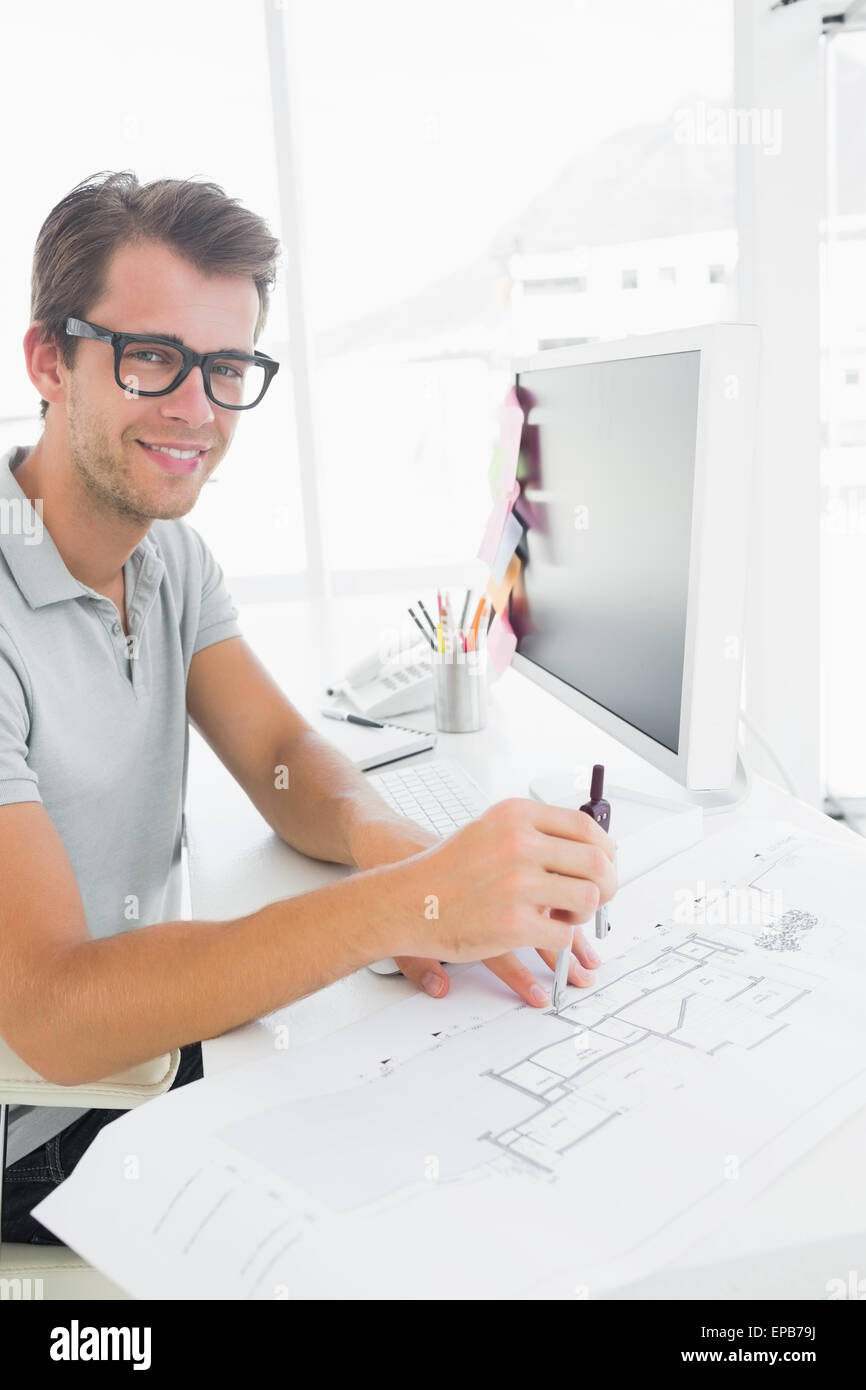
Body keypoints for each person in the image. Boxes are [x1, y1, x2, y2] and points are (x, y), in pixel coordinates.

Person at [0, 171, 616, 1243]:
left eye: (226, 365)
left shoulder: (168, 559)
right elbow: (55, 1015)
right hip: (45, 1118)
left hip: (139, 1040)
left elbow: (279, 754)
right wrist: (406, 905)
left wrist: (396, 851)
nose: (195, 407)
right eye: (150, 356)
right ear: (50, 359)